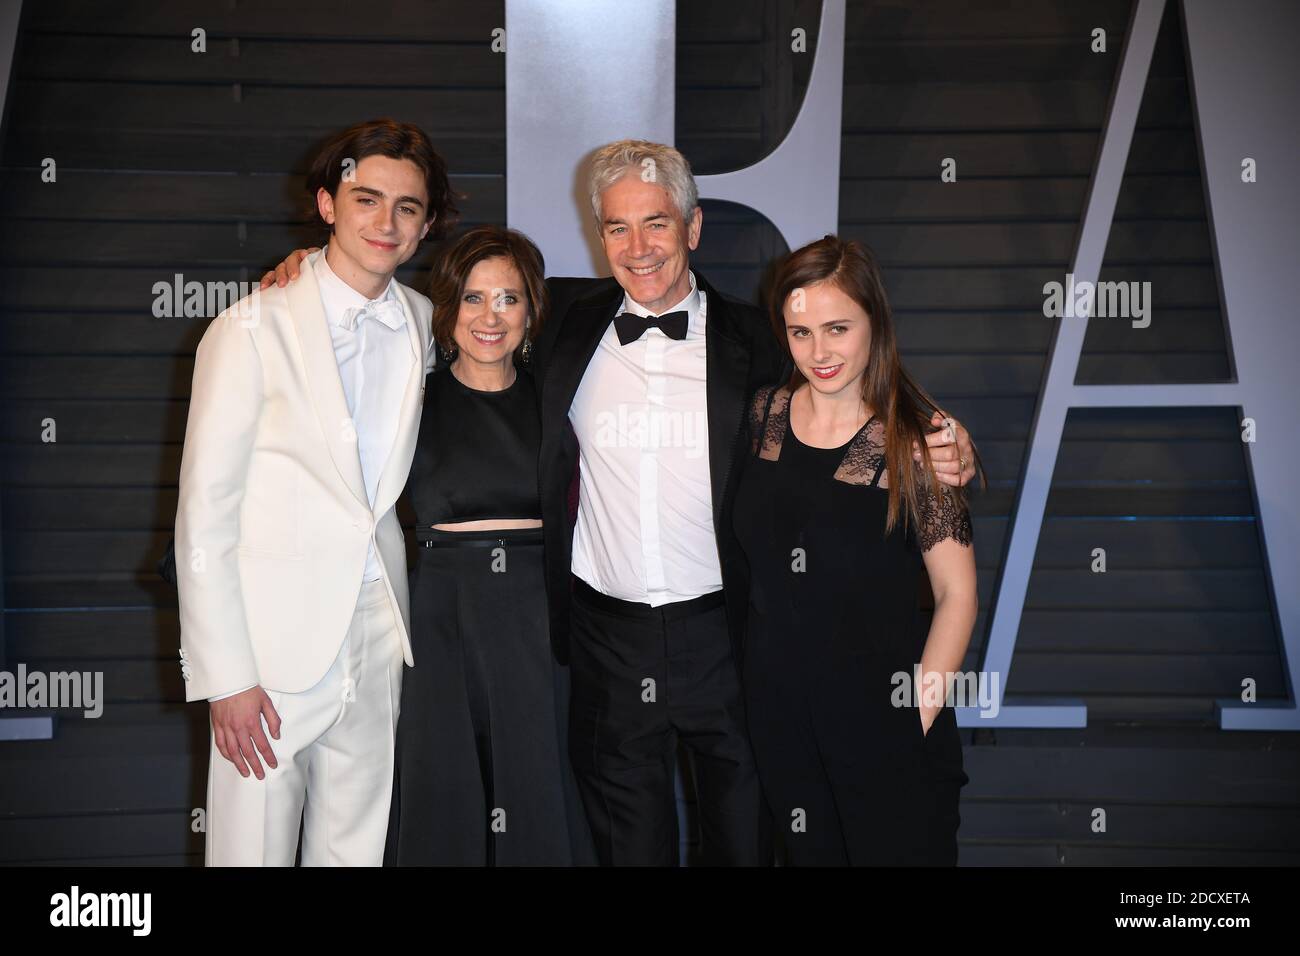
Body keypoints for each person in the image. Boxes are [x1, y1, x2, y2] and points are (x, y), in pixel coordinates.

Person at [532, 141, 980, 865]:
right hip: (607, 646)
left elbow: (849, 378)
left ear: (694, 226)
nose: (638, 247)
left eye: (657, 222)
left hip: (732, 645)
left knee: (749, 848)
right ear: (598, 235)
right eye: (617, 227)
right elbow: (463, 314)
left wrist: (938, 434)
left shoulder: (760, 345)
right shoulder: (559, 323)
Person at [175, 118, 455, 865]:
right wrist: (225, 675)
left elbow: (523, 314)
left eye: (407, 207)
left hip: (379, 634)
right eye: (366, 199)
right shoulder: (249, 329)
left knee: (354, 854)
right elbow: (204, 517)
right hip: (266, 653)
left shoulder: (432, 326)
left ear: (426, 225)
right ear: (327, 204)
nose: (385, 223)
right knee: (251, 853)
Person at [734, 235, 980, 865]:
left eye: (838, 327)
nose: (819, 352)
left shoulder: (917, 447)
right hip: (781, 728)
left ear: (875, 319)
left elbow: (958, 597)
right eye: (800, 332)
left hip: (882, 728)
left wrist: (913, 716)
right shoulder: (763, 415)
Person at [383, 226, 596, 865]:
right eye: (473, 299)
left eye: (508, 298)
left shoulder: (557, 399)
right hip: (440, 611)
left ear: (531, 310)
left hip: (538, 613)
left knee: (538, 783)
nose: (490, 316)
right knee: (441, 783)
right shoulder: (408, 401)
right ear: (448, 309)